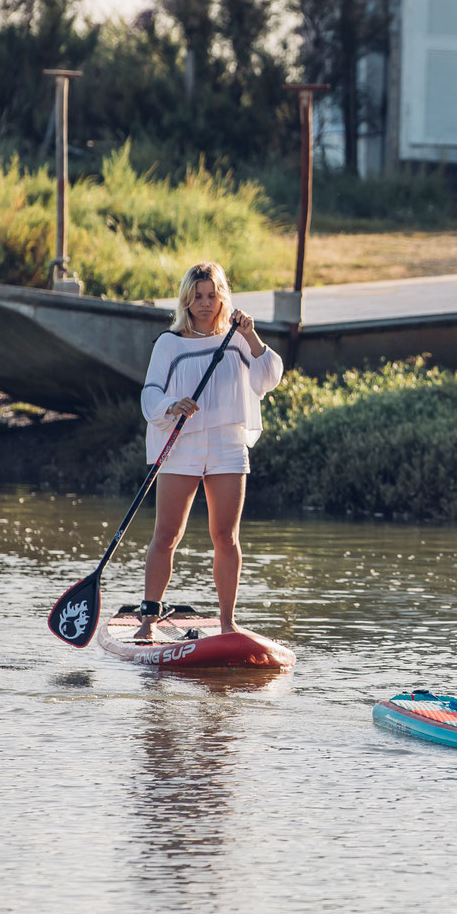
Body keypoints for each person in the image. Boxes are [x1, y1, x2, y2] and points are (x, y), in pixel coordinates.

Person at [137, 261, 284, 638]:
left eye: (212, 296)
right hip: (181, 443)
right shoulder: (169, 343)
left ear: (222, 298)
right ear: (186, 301)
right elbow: (150, 392)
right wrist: (171, 405)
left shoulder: (236, 338)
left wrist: (251, 337)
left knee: (226, 536)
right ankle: (149, 621)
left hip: (226, 444)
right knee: (167, 534)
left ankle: (227, 623)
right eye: (197, 297)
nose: (205, 303)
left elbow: (268, 378)